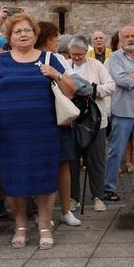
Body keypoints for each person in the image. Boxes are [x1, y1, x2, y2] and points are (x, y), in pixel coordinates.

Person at [0, 13, 76, 250]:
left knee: (44, 177)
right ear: (10, 36)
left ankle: (45, 225)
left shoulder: (50, 58)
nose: (23, 35)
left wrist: (55, 74)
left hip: (43, 130)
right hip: (9, 132)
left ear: (35, 34)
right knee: (13, 177)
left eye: (27, 30)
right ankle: (20, 225)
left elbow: (71, 90)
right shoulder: (0, 61)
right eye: (17, 31)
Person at [35, 21, 81, 227]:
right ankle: (42, 212)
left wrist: (56, 73)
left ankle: (65, 210)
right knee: (39, 167)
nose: (58, 41)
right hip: (38, 119)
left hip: (58, 118)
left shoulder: (56, 59)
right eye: (55, 38)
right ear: (46, 38)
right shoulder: (27, 57)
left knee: (63, 165)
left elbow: (72, 86)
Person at [64, 36, 116, 213]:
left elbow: (111, 86)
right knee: (72, 160)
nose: (76, 57)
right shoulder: (66, 65)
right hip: (71, 120)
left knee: (96, 160)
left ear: (86, 51)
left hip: (95, 120)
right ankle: (73, 197)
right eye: (73, 54)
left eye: (80, 54)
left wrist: (93, 90)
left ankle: (98, 196)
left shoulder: (96, 65)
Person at [104, 25, 134, 200]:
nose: (131, 39)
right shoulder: (114, 58)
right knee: (115, 150)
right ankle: (109, 188)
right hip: (122, 111)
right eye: (127, 36)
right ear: (121, 39)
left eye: (133, 36)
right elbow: (121, 80)